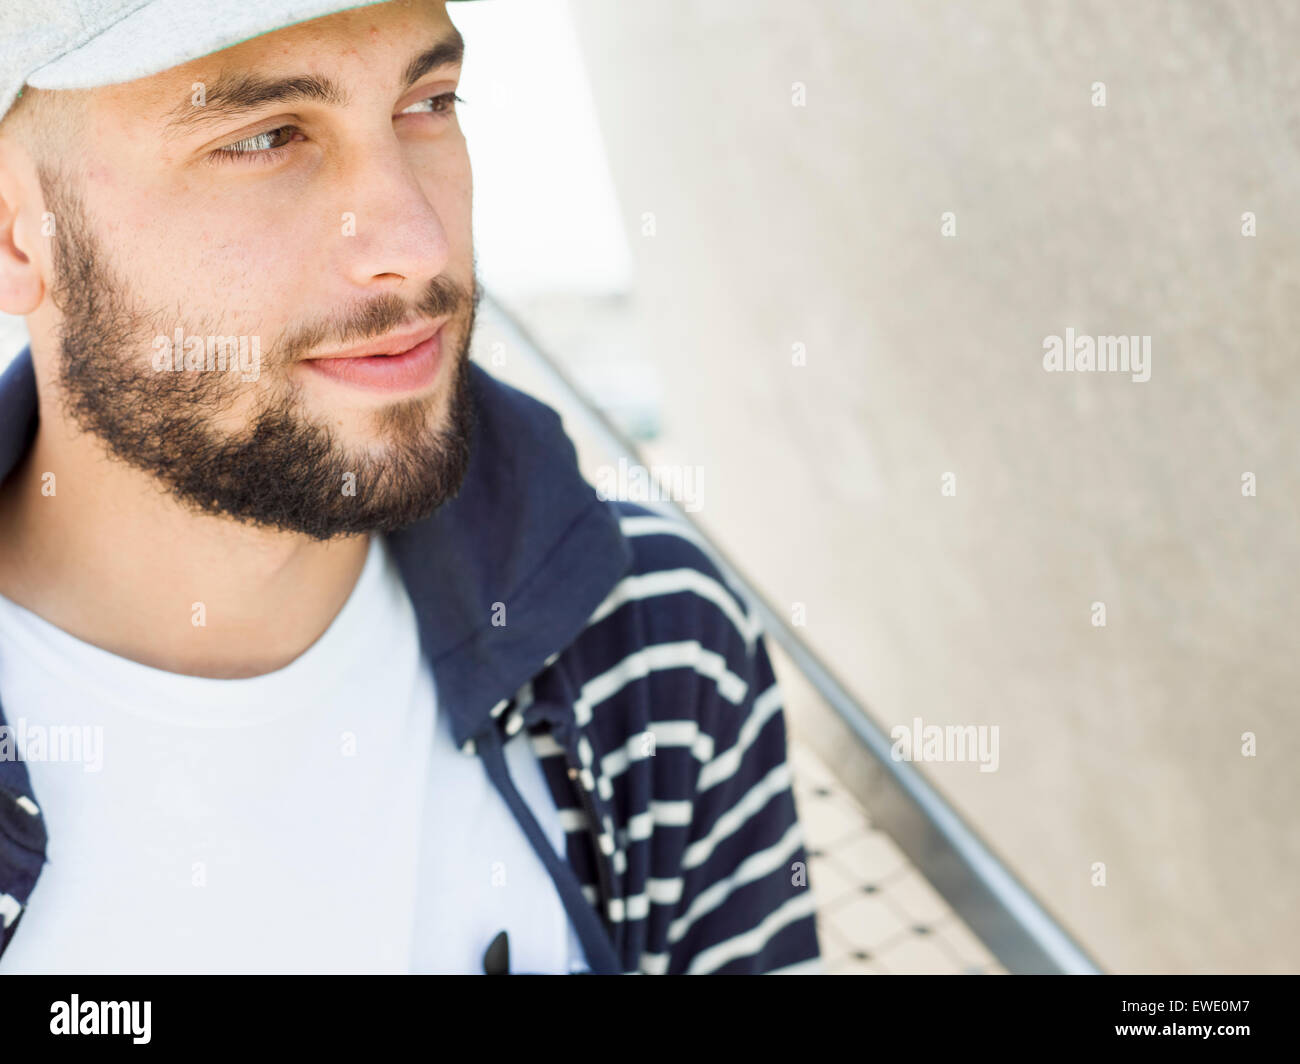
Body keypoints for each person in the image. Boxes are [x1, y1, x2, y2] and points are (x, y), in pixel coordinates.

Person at [0, 0, 821, 974]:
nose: (416, 241)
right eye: (265, 137)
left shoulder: (640, 634)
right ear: (18, 234)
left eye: (427, 101)